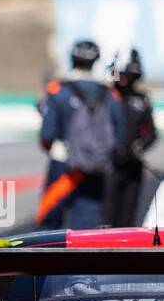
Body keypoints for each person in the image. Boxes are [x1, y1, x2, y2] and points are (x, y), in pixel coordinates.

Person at [38, 40, 123, 230]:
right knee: (86, 230)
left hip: (63, 165)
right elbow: (120, 137)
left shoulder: (57, 89)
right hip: (96, 168)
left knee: (49, 227)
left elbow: (47, 134)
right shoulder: (110, 94)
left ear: (71, 58)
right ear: (96, 60)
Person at [105, 49, 156, 228]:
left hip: (133, 165)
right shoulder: (106, 96)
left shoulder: (142, 100)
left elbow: (151, 133)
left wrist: (139, 147)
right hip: (108, 166)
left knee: (128, 217)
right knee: (105, 217)